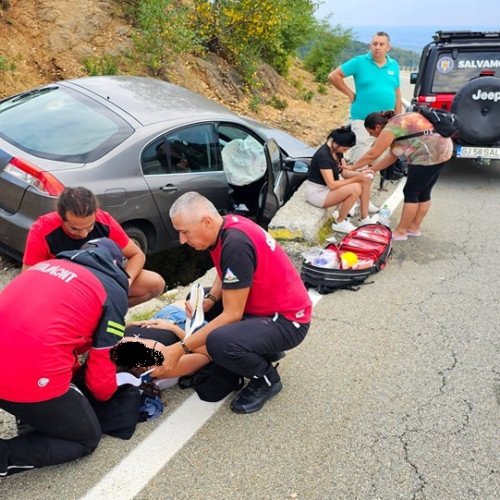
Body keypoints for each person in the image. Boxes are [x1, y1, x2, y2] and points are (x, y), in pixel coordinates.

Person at [149, 192, 312, 414]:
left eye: (184, 232)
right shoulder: (226, 227)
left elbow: (232, 315)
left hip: (287, 320)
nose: (182, 240)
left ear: (206, 221)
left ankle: (266, 379)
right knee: (195, 300)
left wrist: (180, 348)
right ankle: (257, 349)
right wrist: (210, 300)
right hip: (264, 307)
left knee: (220, 342)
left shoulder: (235, 243)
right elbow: (224, 272)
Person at [0, 238, 129, 477]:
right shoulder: (112, 291)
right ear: (116, 264)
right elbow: (101, 382)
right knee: (86, 439)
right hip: (24, 374)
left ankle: (30, 415)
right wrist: (107, 395)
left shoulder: (43, 266)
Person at [21, 186, 165, 307]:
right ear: (61, 217)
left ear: (96, 213)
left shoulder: (105, 221)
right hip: (63, 286)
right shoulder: (42, 229)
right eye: (74, 229)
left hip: (100, 281)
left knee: (155, 283)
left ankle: (102, 314)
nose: (83, 234)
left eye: (89, 226)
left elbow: (137, 255)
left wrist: (126, 281)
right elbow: (28, 277)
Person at [346, 110, 453, 240]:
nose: (372, 136)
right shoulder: (399, 121)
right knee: (424, 192)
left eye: (371, 132)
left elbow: (372, 154)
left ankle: (401, 231)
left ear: (378, 127)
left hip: (426, 156)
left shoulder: (391, 129)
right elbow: (392, 156)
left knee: (410, 193)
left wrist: (352, 167)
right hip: (444, 150)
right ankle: (414, 228)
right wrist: (373, 169)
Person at [329, 31, 402, 165]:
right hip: (363, 121)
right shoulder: (359, 62)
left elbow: (397, 92)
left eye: (381, 44)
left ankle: (368, 183)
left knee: (379, 162)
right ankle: (358, 182)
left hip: (386, 123)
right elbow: (334, 76)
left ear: (388, 47)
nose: (377, 47)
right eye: (375, 44)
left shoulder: (393, 65)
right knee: (360, 162)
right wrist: (350, 93)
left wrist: (398, 119)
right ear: (370, 46)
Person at [305, 126, 376, 234]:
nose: (344, 152)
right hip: (317, 193)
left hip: (328, 189)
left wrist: (361, 174)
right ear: (336, 143)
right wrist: (356, 178)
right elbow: (332, 184)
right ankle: (339, 222)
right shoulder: (323, 156)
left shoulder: (337, 150)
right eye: (344, 149)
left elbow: (344, 172)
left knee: (365, 179)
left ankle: (364, 218)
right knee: (355, 188)